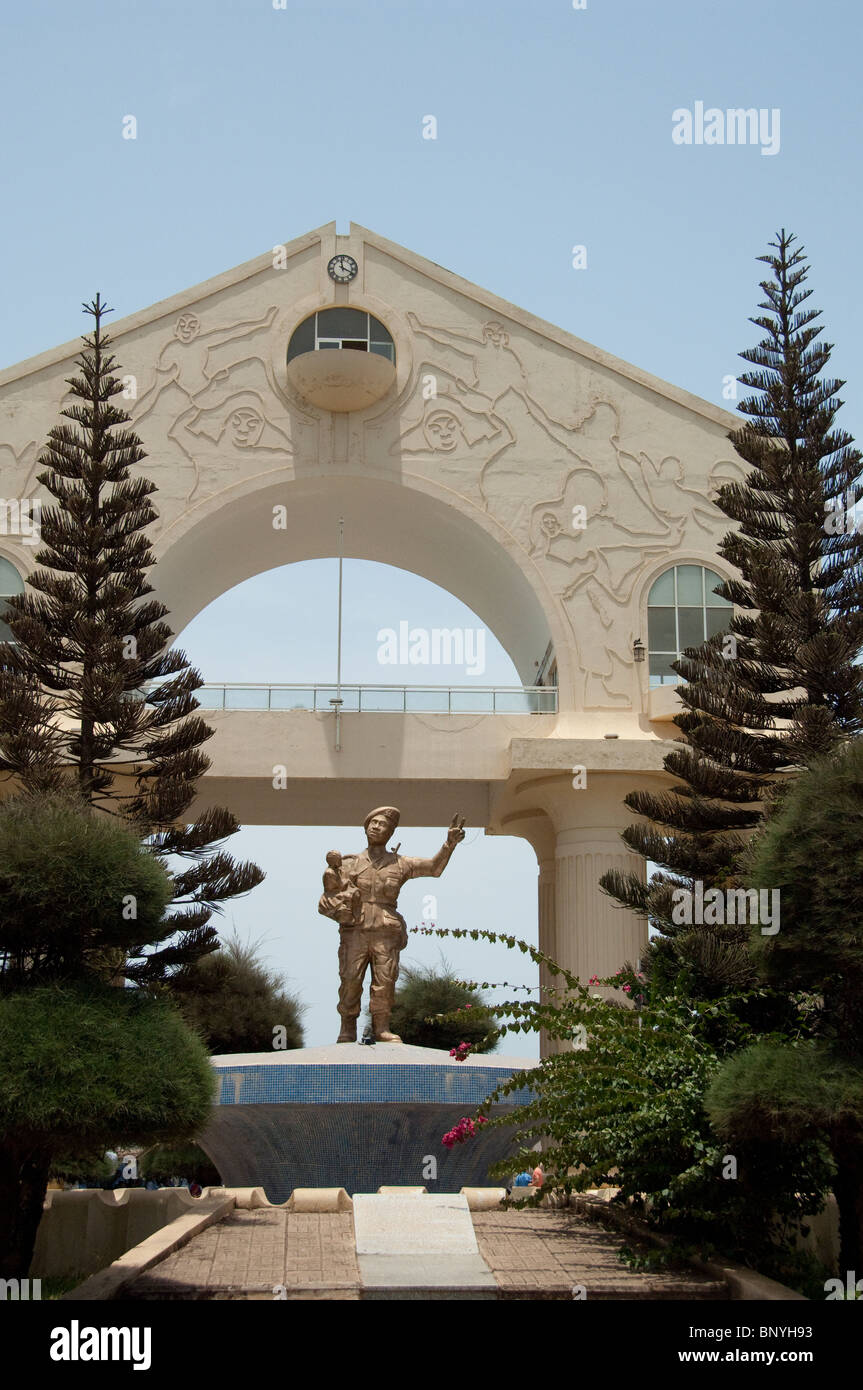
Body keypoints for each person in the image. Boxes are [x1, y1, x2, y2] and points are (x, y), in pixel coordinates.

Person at [318, 806, 465, 1044]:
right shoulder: (348, 864)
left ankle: (382, 1028)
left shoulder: (400, 863)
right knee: (349, 980)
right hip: (354, 931)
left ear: (391, 831)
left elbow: (433, 868)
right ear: (365, 828)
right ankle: (347, 1028)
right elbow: (329, 894)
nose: (376, 827)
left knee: (385, 981)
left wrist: (449, 844)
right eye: (372, 823)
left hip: (386, 932)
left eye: (382, 824)